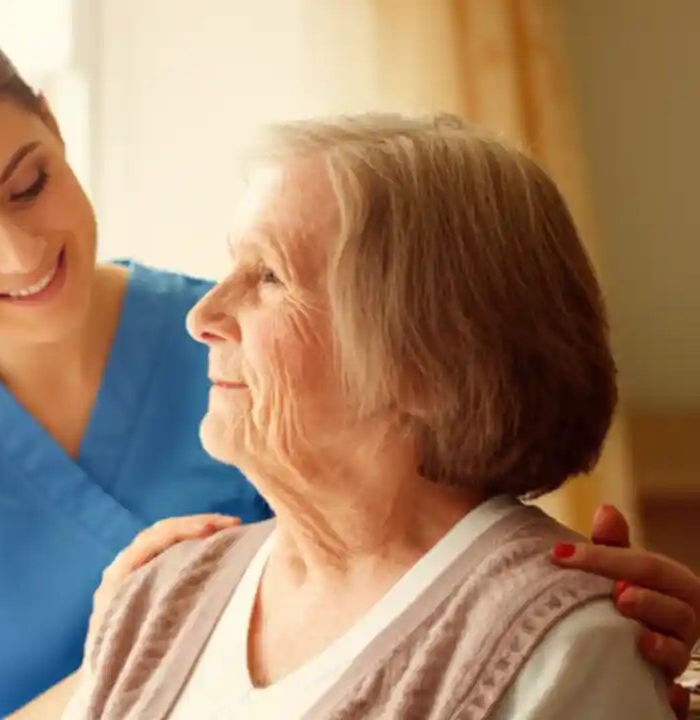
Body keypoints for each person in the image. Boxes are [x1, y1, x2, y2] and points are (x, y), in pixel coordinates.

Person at [0, 5, 700, 718]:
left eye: (29, 184)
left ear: (55, 128)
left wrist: (552, 606)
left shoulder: (248, 352)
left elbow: (410, 565)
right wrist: (129, 662)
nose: (20, 253)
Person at [62, 113, 677, 720]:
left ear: (431, 363)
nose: (203, 316)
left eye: (270, 276)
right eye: (233, 266)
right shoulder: (155, 598)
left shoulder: (562, 651)